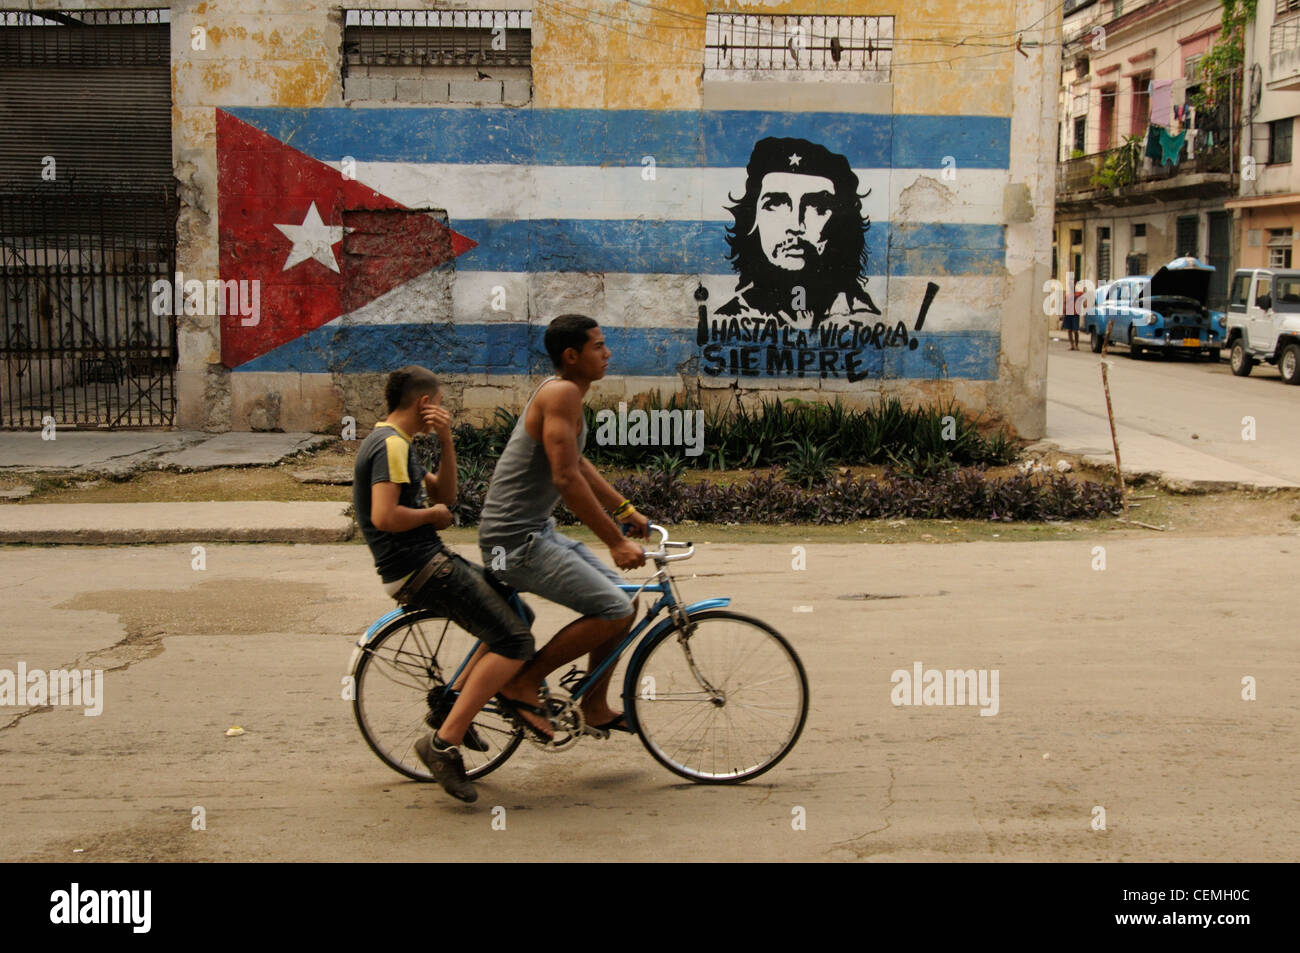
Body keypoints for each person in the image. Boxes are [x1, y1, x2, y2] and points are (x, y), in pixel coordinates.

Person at [353, 366, 534, 803]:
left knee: (518, 611)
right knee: (515, 640)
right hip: (418, 568)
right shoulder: (390, 445)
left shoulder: (402, 444)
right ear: (424, 404)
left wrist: (447, 442)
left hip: (428, 561)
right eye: (439, 400)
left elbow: (446, 496)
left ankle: (457, 704)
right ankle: (443, 744)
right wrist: (431, 518)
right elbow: (384, 517)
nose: (443, 407)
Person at [478, 314, 649, 740]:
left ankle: (592, 704)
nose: (607, 354)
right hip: (514, 543)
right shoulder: (562, 394)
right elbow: (565, 479)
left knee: (626, 602)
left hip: (536, 532)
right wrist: (615, 542)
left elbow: (579, 463)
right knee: (614, 609)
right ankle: (522, 682)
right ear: (571, 356)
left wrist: (625, 510)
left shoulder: (566, 394)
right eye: (598, 347)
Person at [717, 136, 881, 330]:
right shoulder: (728, 319)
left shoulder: (863, 319)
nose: (796, 224)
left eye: (817, 206)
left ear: (843, 224)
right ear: (752, 220)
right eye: (775, 204)